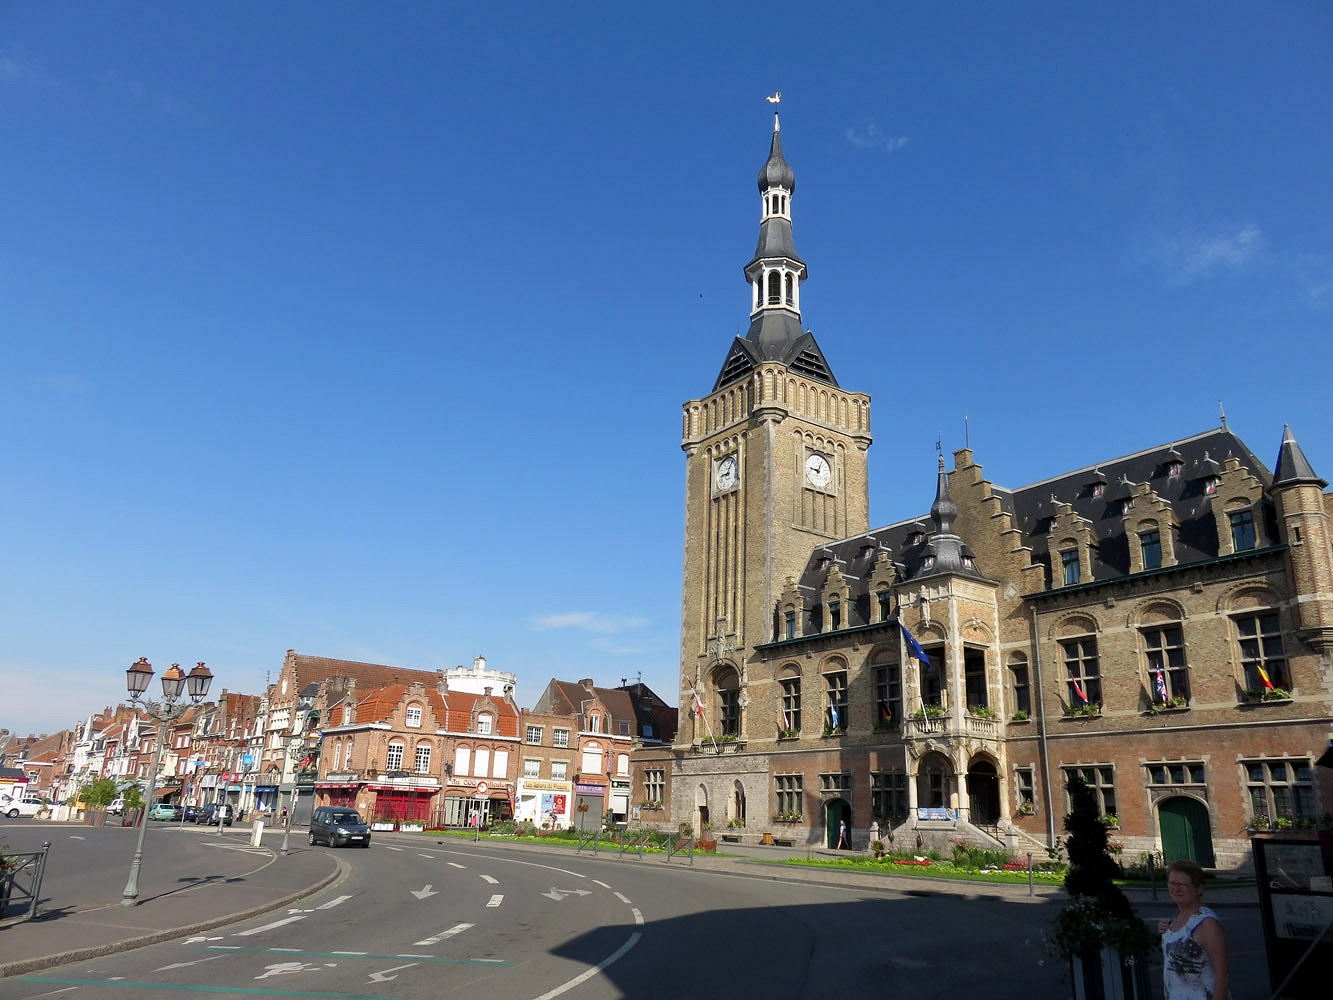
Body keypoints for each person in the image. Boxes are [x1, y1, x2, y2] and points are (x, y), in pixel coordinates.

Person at [1157, 859, 1230, 999]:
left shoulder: (1207, 924)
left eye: (1182, 884)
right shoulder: (1176, 918)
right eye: (1172, 883)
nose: (1176, 889)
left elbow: (1223, 975)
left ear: (1198, 888)